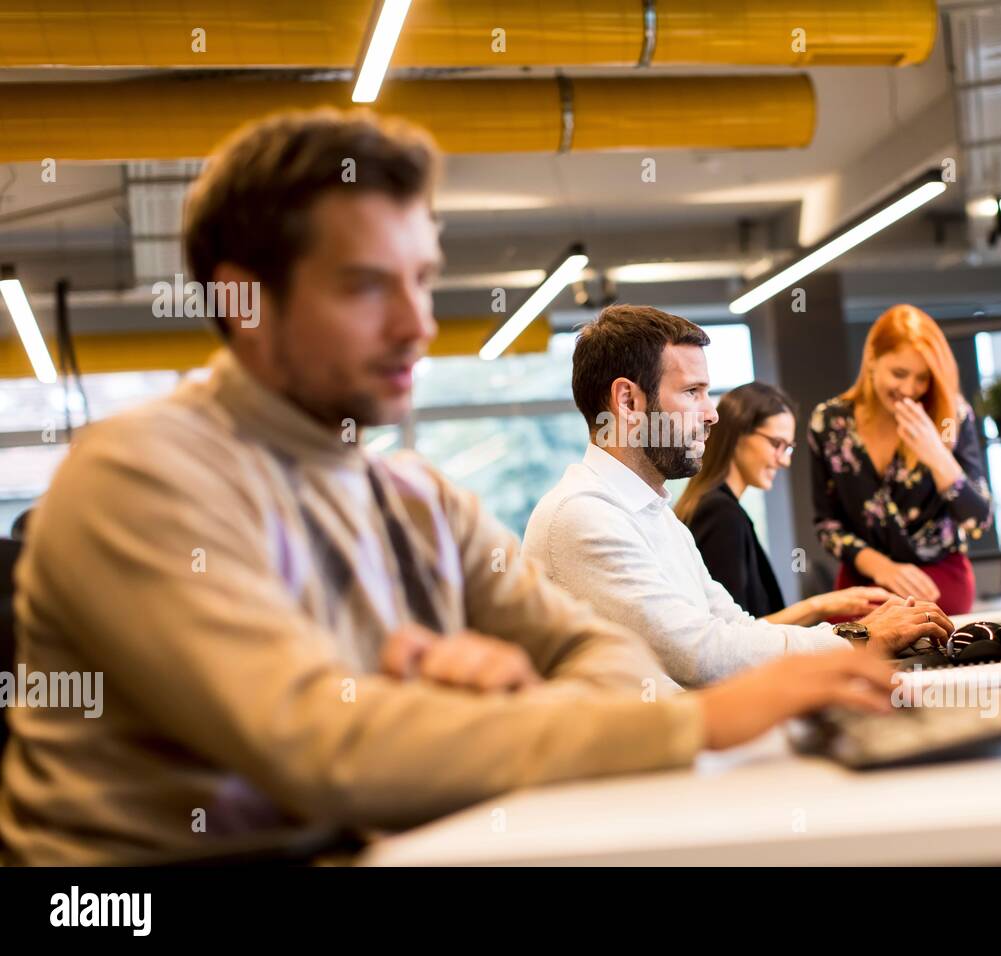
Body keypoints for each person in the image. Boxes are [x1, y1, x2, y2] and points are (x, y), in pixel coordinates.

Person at [0, 110, 906, 866]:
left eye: (423, 280)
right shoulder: (138, 477)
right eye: (366, 287)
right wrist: (691, 727)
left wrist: (505, 709)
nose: (418, 324)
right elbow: (320, 745)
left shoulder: (415, 498)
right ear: (246, 300)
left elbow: (608, 658)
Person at [522, 305, 952, 689]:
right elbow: (699, 655)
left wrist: (857, 634)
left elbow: (734, 627)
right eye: (693, 392)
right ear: (628, 400)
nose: (712, 414)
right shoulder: (581, 515)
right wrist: (858, 639)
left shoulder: (656, 515)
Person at [808, 304, 993, 615]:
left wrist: (936, 454)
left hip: (937, 583)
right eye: (899, 373)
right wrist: (883, 568)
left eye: (922, 378)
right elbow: (826, 524)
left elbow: (979, 523)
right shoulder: (829, 422)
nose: (910, 390)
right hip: (864, 584)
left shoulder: (952, 415)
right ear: (872, 361)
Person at [676, 382, 888, 624]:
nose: (784, 461)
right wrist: (822, 605)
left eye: (788, 448)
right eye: (777, 444)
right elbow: (734, 633)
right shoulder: (720, 513)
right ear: (738, 433)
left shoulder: (721, 509)